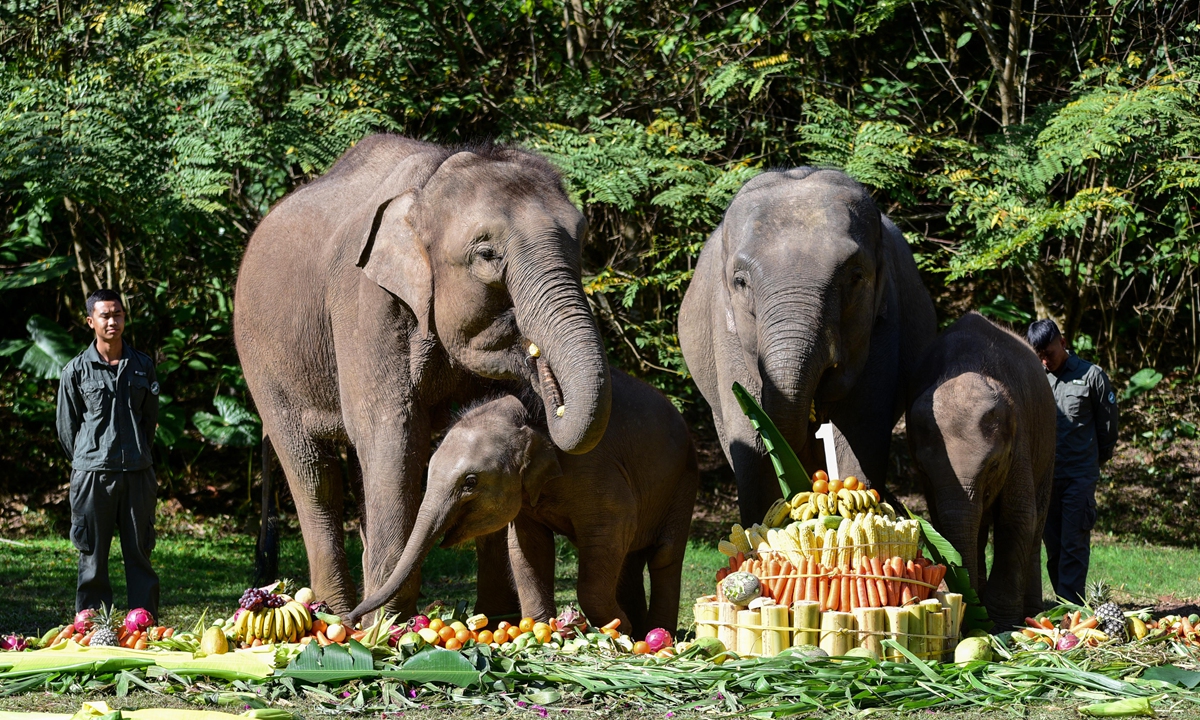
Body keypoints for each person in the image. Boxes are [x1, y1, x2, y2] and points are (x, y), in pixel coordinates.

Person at [56, 289, 160, 616]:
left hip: (137, 475)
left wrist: (136, 452)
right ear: (91, 321)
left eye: (118, 314)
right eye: (105, 315)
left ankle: (144, 626)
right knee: (92, 556)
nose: (112, 321)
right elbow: (66, 427)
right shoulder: (75, 371)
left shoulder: (142, 366)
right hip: (92, 477)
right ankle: (91, 627)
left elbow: (150, 421)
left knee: (140, 553)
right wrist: (90, 456)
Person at [1026, 319, 1118, 605]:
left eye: (1049, 353)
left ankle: (1071, 610)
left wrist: (1091, 463)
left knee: (1074, 544)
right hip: (1046, 477)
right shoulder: (1035, 378)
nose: (1045, 361)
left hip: (1078, 476)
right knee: (1053, 546)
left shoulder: (1091, 376)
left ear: (1063, 343)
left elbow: (1108, 428)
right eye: (1039, 355)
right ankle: (1063, 603)